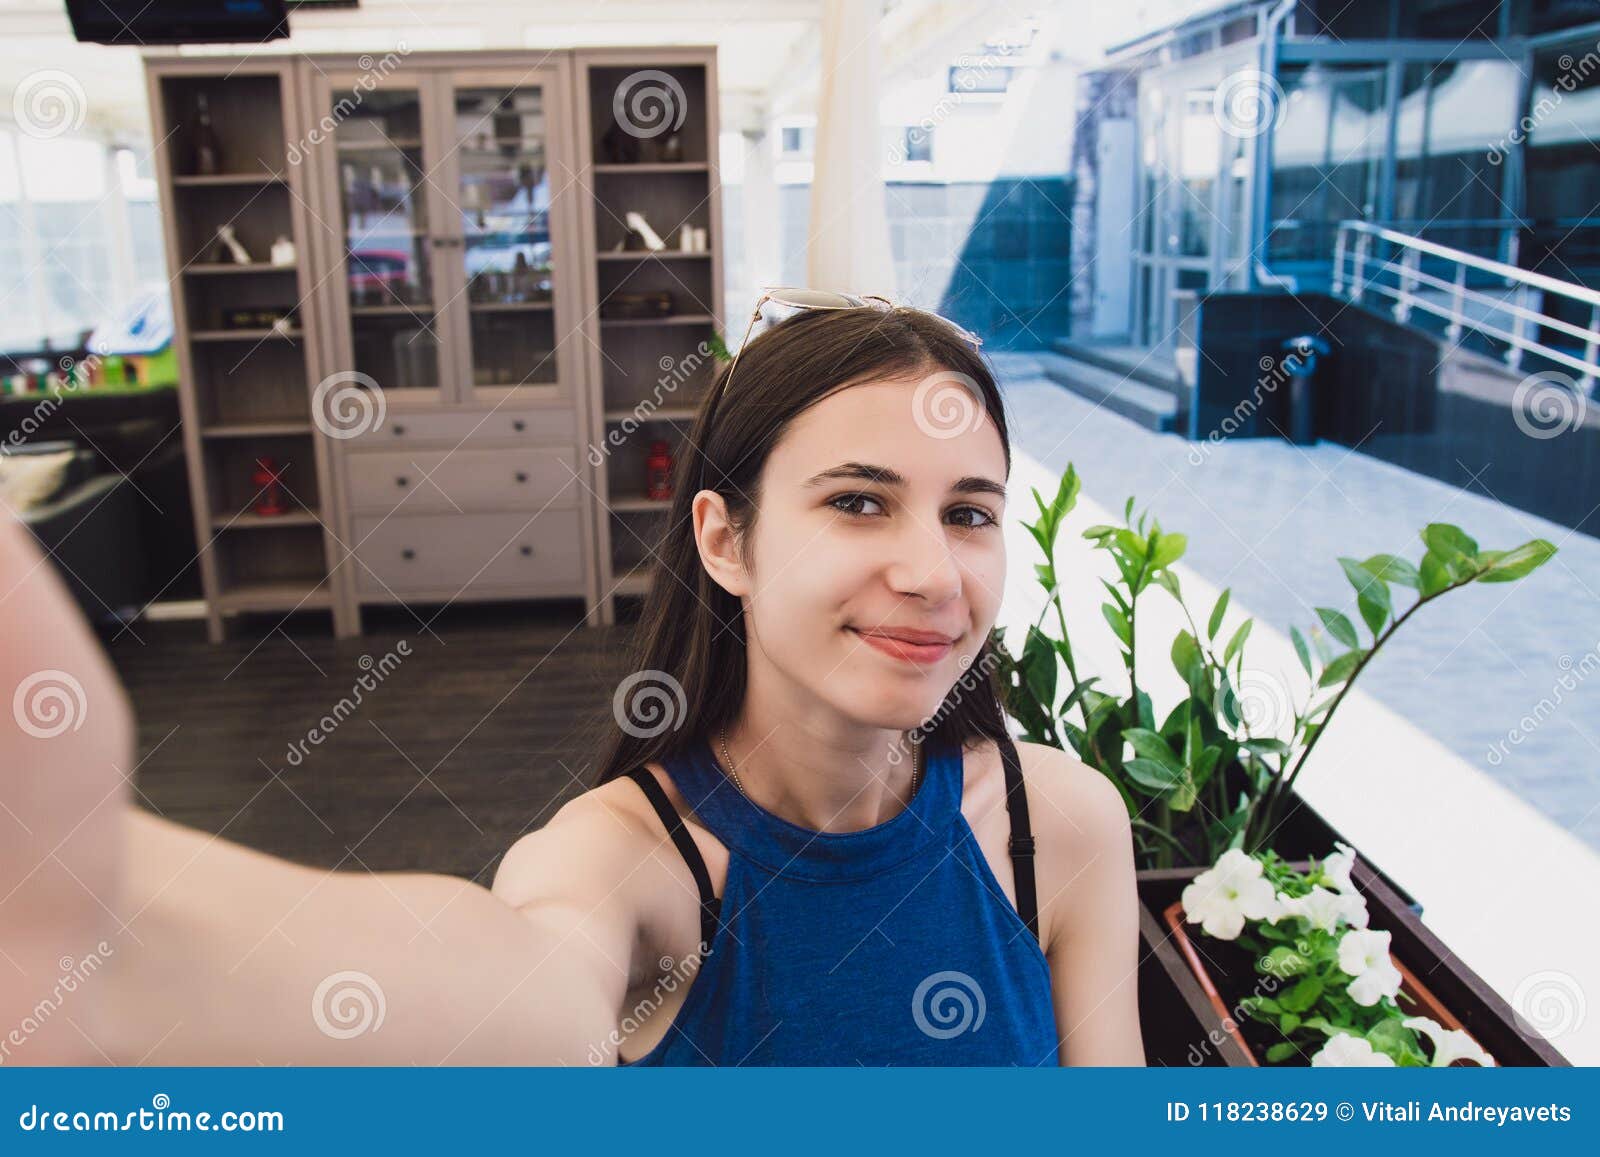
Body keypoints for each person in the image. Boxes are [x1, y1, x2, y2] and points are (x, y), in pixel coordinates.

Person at [0, 292, 1143, 1067]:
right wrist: (99, 912)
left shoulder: (1062, 823)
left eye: (970, 513)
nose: (930, 571)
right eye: (857, 500)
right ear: (725, 539)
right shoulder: (623, 863)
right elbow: (528, 996)